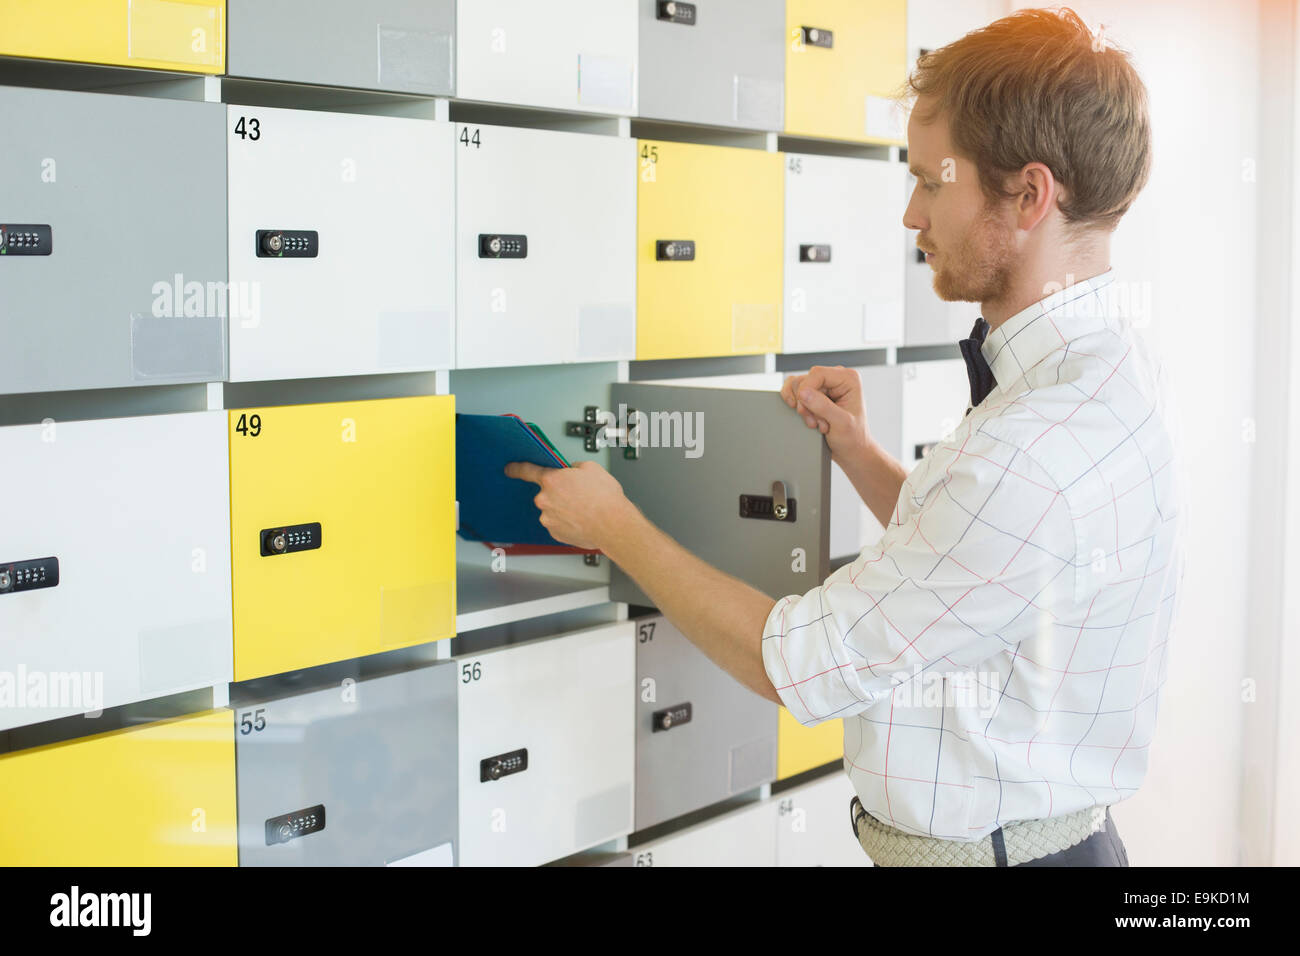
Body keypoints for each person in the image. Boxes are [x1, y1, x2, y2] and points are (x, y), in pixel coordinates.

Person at [505, 6, 1185, 867]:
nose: (911, 215)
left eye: (933, 182)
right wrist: (858, 455)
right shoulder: (1105, 369)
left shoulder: (1031, 449)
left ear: (1029, 194)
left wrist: (614, 528)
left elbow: (797, 664)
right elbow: (981, 571)